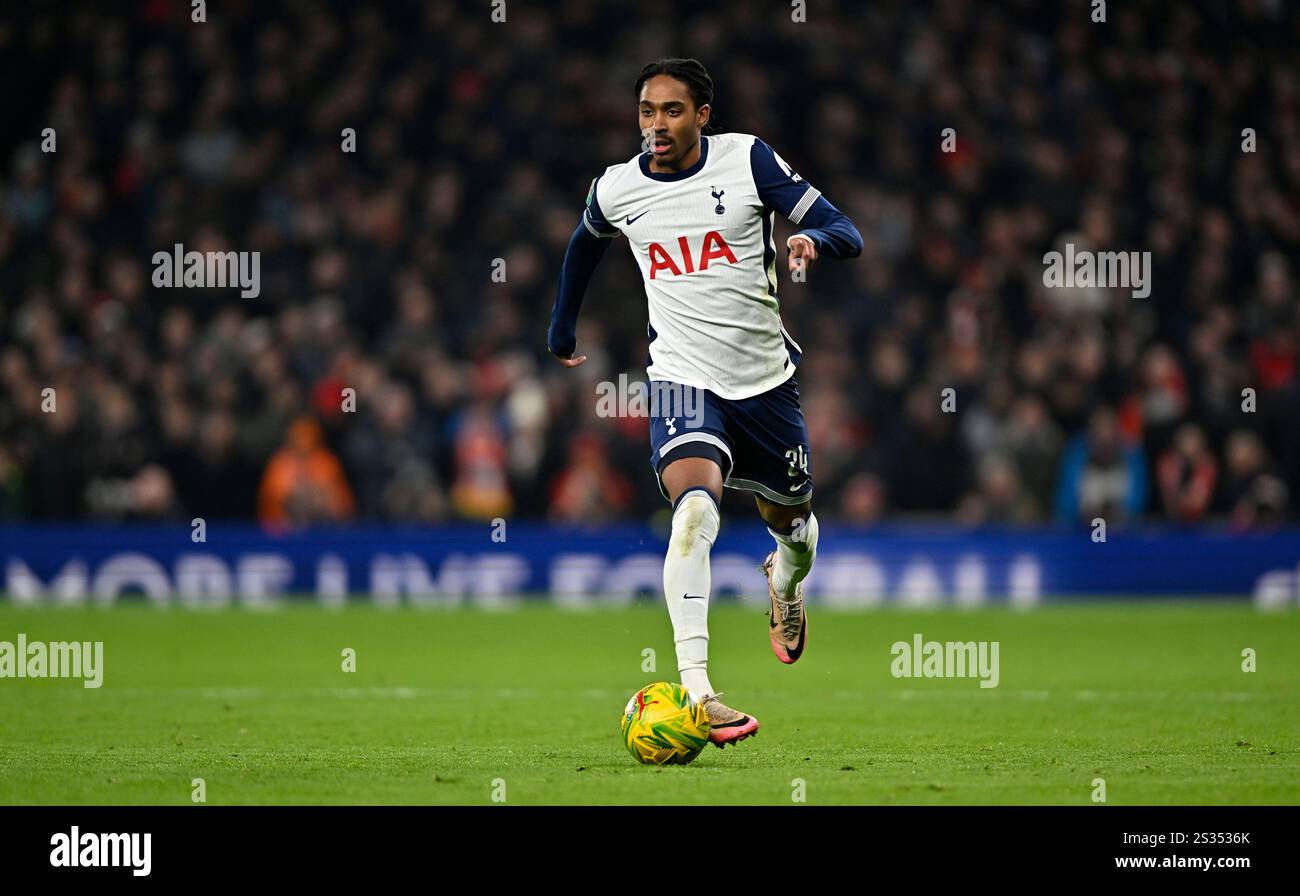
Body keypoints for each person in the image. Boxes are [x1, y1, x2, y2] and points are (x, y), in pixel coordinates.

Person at [547, 59, 862, 747]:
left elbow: (848, 231)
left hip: (766, 386)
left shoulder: (747, 161)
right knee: (693, 515)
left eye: (672, 111)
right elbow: (583, 244)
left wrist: (812, 240)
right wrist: (562, 326)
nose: (656, 125)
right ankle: (699, 693)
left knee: (796, 529)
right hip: (683, 380)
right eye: (647, 111)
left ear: (703, 115)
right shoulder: (619, 186)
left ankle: (784, 581)